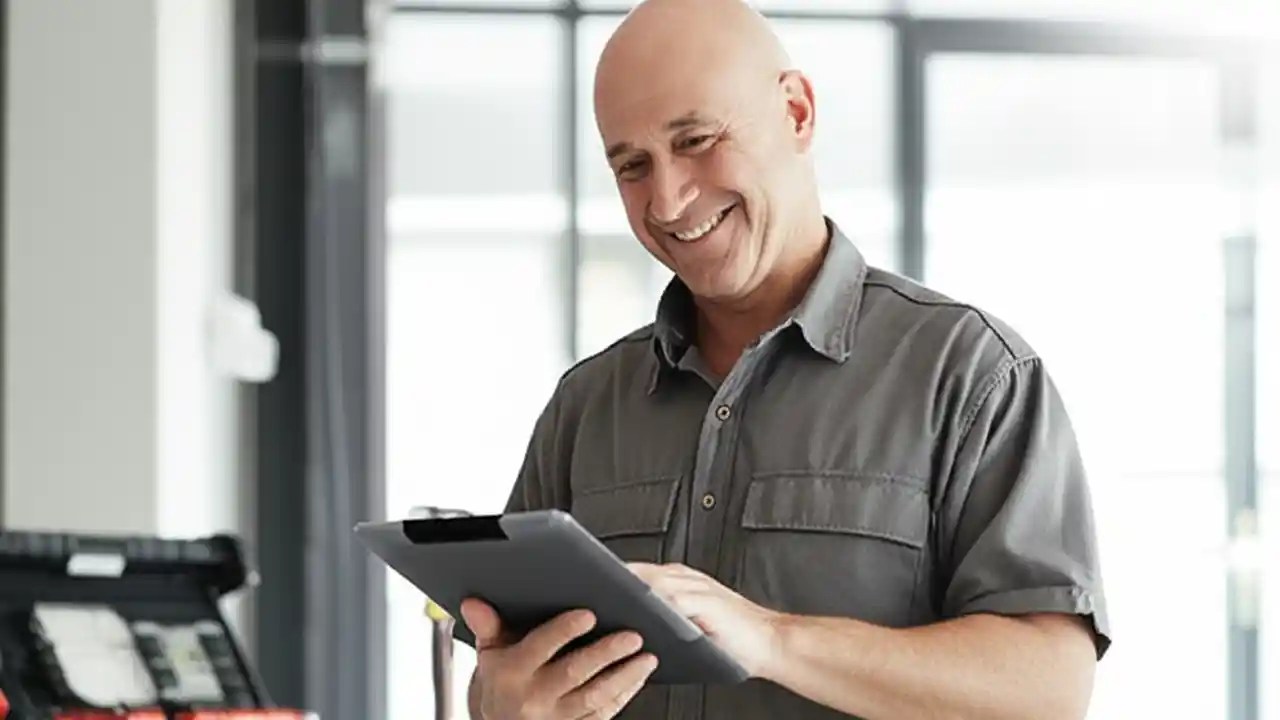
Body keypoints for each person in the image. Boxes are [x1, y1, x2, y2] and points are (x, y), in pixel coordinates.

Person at [460, 0, 1110, 717]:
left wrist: (774, 640)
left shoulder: (972, 376)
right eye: (633, 166)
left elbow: (1048, 688)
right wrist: (501, 704)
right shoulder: (586, 407)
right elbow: (504, 674)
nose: (669, 200)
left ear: (797, 112)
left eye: (698, 139)